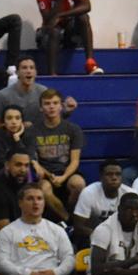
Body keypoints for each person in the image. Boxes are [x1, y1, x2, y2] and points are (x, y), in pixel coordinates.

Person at [35, 0, 101, 76]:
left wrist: (61, 15)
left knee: (83, 17)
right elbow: (48, 22)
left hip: (70, 35)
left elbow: (87, 6)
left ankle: (90, 63)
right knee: (54, 31)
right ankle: (52, 74)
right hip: (51, 36)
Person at [25, 89, 83, 219]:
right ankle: (67, 219)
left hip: (67, 172)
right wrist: (49, 175)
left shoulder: (73, 129)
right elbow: (34, 160)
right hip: (45, 175)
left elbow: (75, 160)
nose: (51, 106)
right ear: (41, 108)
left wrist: (63, 177)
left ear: (61, 106)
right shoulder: (32, 131)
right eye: (47, 103)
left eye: (55, 103)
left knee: (79, 184)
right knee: (44, 189)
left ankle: (75, 217)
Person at [72, 160, 127, 240]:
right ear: (101, 177)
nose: (114, 178)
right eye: (109, 174)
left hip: (120, 237)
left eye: (118, 174)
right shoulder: (89, 193)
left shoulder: (129, 193)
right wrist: (102, 238)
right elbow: (78, 227)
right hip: (93, 236)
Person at [0, 104, 33, 181]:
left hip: (21, 174)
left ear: (22, 122)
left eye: (17, 118)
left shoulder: (28, 137)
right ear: (3, 122)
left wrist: (17, 139)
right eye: (9, 118)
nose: (14, 122)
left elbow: (29, 159)